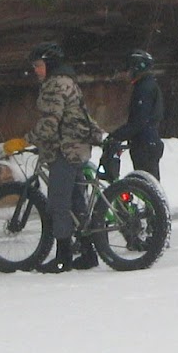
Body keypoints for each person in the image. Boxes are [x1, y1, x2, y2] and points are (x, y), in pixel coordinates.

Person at [27, 40, 105, 273]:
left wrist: (28, 138)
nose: (36, 70)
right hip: (78, 148)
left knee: (59, 203)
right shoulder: (68, 81)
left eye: (39, 65)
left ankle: (63, 257)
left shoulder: (54, 85)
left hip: (66, 150)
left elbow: (51, 121)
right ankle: (88, 253)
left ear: (50, 64)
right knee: (76, 202)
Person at [105, 49, 165, 181]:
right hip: (148, 142)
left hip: (144, 144)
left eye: (130, 68)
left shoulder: (144, 88)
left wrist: (116, 135)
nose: (127, 73)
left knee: (147, 187)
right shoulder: (147, 85)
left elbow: (139, 121)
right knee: (149, 185)